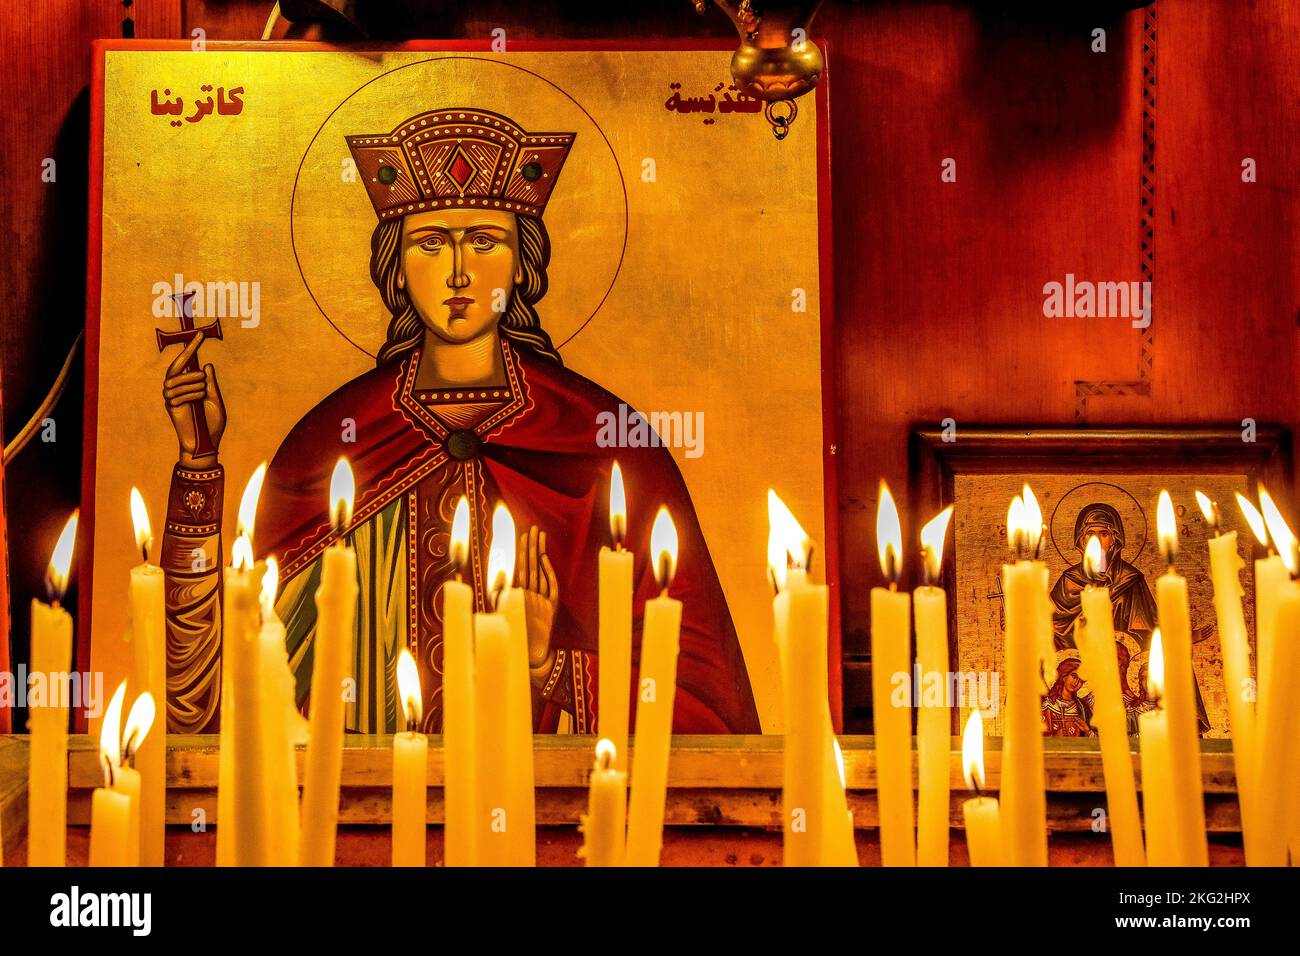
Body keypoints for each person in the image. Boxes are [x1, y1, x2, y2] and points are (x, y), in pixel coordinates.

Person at [159, 107, 760, 735]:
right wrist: (197, 469)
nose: (457, 273)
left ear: (522, 262)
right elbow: (207, 698)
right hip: (358, 815)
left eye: (484, 241)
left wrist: (547, 668)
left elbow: (704, 717)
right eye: (429, 242)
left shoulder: (605, 441)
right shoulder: (335, 440)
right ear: (395, 266)